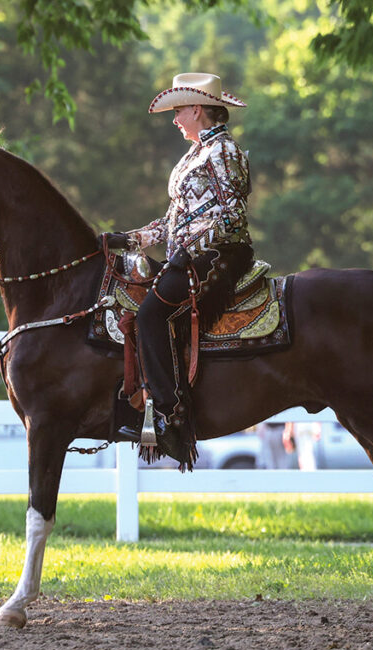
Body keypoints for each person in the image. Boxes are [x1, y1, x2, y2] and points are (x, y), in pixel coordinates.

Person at [107, 72, 253, 466]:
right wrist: (125, 239)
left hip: (219, 255)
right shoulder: (195, 154)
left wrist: (189, 249)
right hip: (188, 255)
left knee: (152, 314)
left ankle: (171, 418)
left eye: (178, 112)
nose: (174, 120)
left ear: (196, 109)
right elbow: (172, 222)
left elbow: (234, 215)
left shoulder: (224, 151)